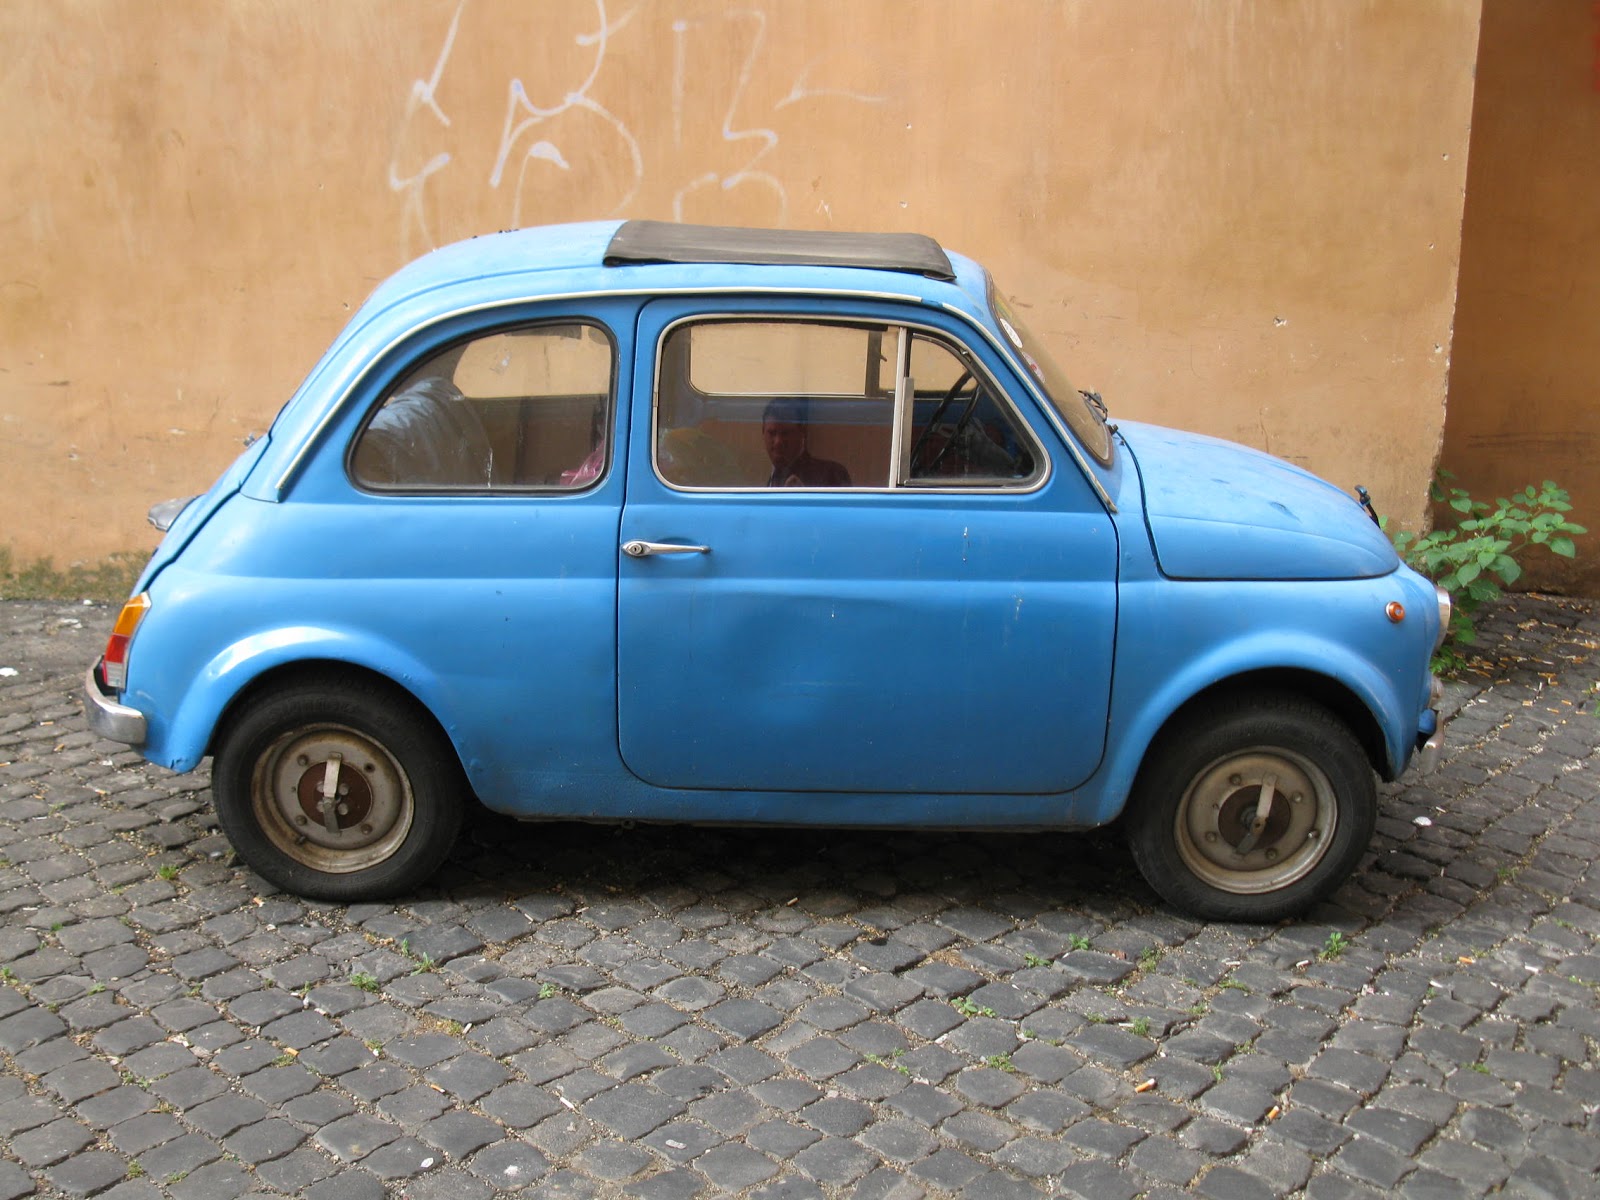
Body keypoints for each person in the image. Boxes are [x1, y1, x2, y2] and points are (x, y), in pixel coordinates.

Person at [762, 398, 851, 488]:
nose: (778, 442)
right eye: (772, 433)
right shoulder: (771, 480)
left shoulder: (832, 475)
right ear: (763, 433)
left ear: (802, 432)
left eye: (785, 433)